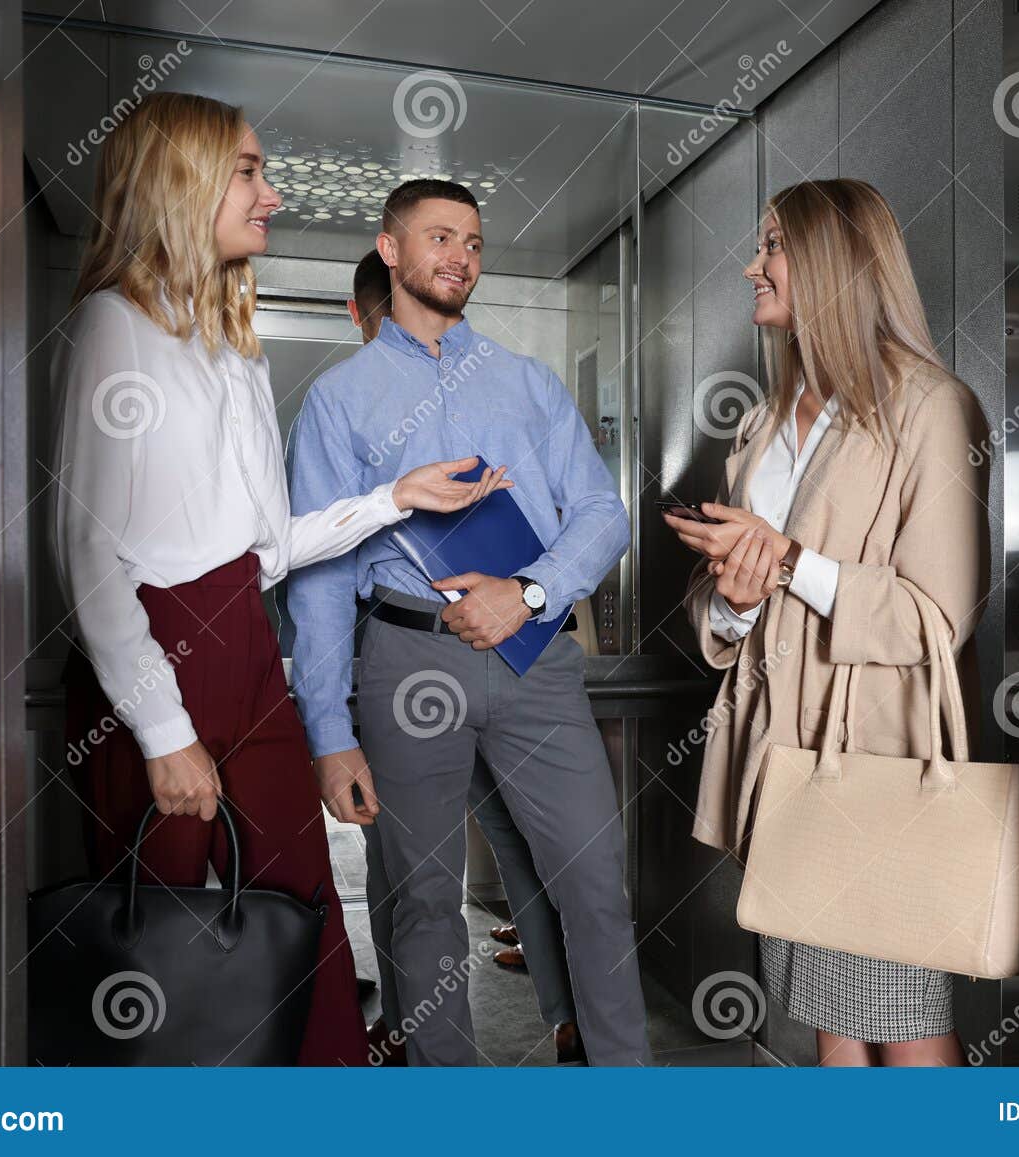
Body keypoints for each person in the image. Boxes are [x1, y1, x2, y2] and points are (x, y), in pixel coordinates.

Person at [49, 92, 510, 1067]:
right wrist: (165, 733)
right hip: (156, 663)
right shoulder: (111, 325)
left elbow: (259, 548)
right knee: (173, 928)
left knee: (299, 906)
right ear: (181, 183)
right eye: (248, 172)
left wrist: (393, 497)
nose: (272, 192)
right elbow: (91, 553)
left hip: (246, 650)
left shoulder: (230, 342)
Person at [287, 180, 650, 1067]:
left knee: (596, 882)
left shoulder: (529, 385)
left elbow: (604, 513)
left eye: (475, 243)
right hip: (406, 655)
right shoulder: (337, 401)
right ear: (391, 249)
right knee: (420, 900)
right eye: (440, 237)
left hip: (535, 657)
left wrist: (528, 590)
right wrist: (330, 732)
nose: (460, 257)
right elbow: (322, 575)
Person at [666, 178, 990, 1068]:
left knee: (906, 1020)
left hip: (878, 766)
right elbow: (731, 603)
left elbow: (936, 616)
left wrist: (790, 562)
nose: (752, 265)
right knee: (828, 1020)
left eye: (772, 245)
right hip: (781, 767)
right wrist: (732, 599)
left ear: (832, 263)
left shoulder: (929, 408)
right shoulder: (765, 426)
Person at [344, 250, 583, 1066]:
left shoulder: (456, 399)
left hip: (445, 657)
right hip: (441, 658)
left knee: (411, 875)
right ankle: (562, 1018)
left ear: (356, 316)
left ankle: (428, 1036)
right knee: (494, 862)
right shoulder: (377, 405)